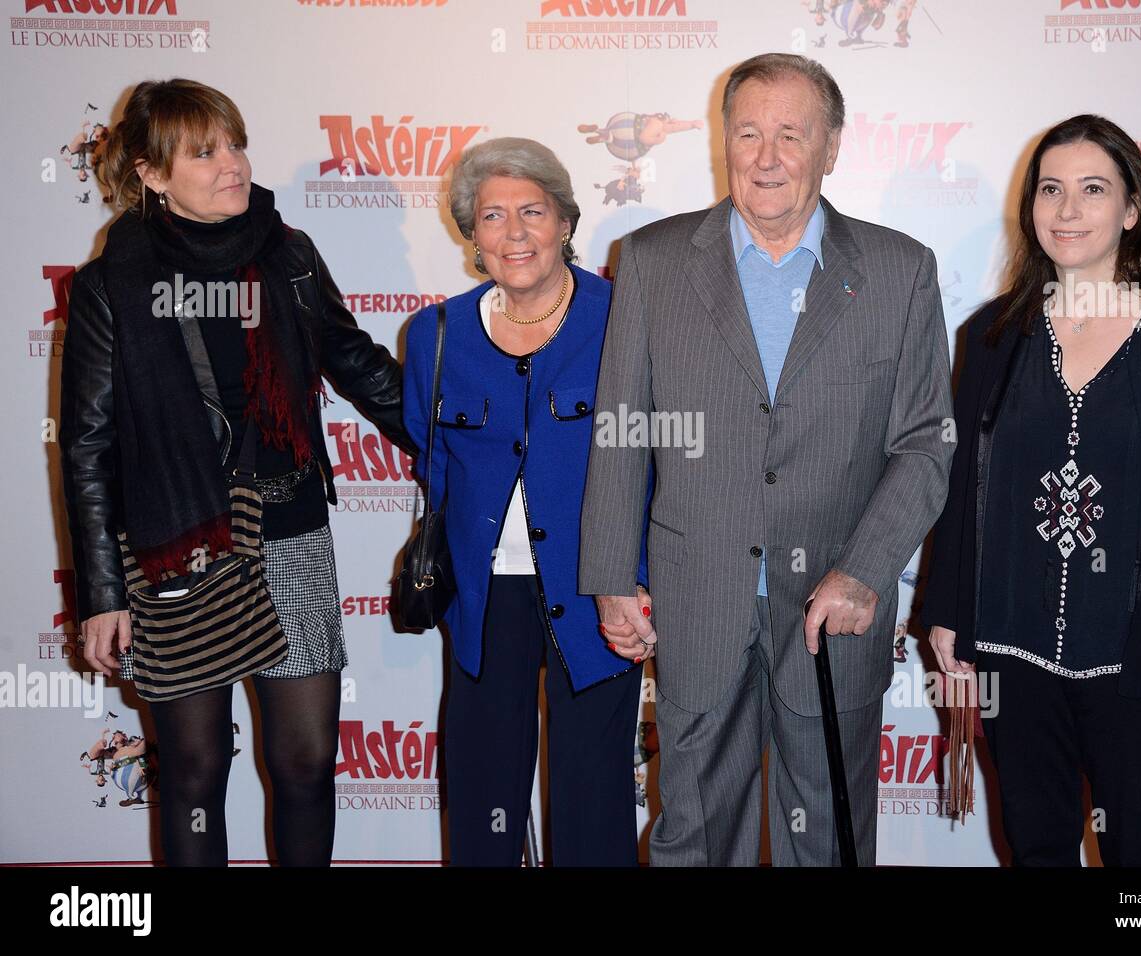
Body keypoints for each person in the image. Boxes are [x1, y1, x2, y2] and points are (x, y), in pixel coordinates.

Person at [579, 53, 954, 866]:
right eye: (747, 133)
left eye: (791, 133)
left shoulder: (899, 272)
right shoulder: (651, 260)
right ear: (723, 143)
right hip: (697, 600)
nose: (766, 156)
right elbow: (620, 428)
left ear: (833, 146)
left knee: (825, 838)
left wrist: (865, 570)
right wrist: (611, 575)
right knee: (692, 835)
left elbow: (926, 443)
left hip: (835, 609)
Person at [60, 78, 414, 866]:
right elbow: (87, 446)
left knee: (305, 761)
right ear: (152, 175)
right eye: (205, 151)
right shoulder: (109, 286)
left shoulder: (287, 254)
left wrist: (455, 435)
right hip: (175, 545)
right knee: (192, 770)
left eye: (236, 143)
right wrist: (102, 596)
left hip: (289, 529)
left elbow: (356, 365)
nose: (234, 164)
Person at [923, 114, 1141, 866]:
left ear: (1132, 210)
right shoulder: (993, 337)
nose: (1066, 211)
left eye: (1092, 190)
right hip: (1012, 647)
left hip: (1139, 657)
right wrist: (945, 610)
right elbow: (962, 483)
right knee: (1036, 846)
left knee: (1139, 850)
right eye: (1051, 190)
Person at [403, 138, 645, 866]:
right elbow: (431, 452)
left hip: (599, 589)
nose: (514, 234)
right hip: (482, 596)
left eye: (532, 212)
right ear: (470, 234)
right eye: (492, 216)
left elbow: (659, 462)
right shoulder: (433, 334)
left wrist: (635, 579)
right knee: (485, 801)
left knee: (593, 797)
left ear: (566, 222)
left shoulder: (626, 316)